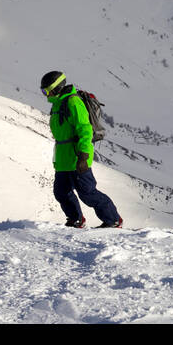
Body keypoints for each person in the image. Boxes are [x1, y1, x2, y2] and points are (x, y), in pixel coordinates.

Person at [41, 71, 122, 229]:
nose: (45, 94)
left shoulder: (73, 103)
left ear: (56, 88)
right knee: (61, 192)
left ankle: (113, 220)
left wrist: (83, 156)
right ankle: (76, 219)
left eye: (46, 90)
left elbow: (85, 130)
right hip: (64, 158)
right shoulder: (57, 104)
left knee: (88, 193)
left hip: (78, 157)